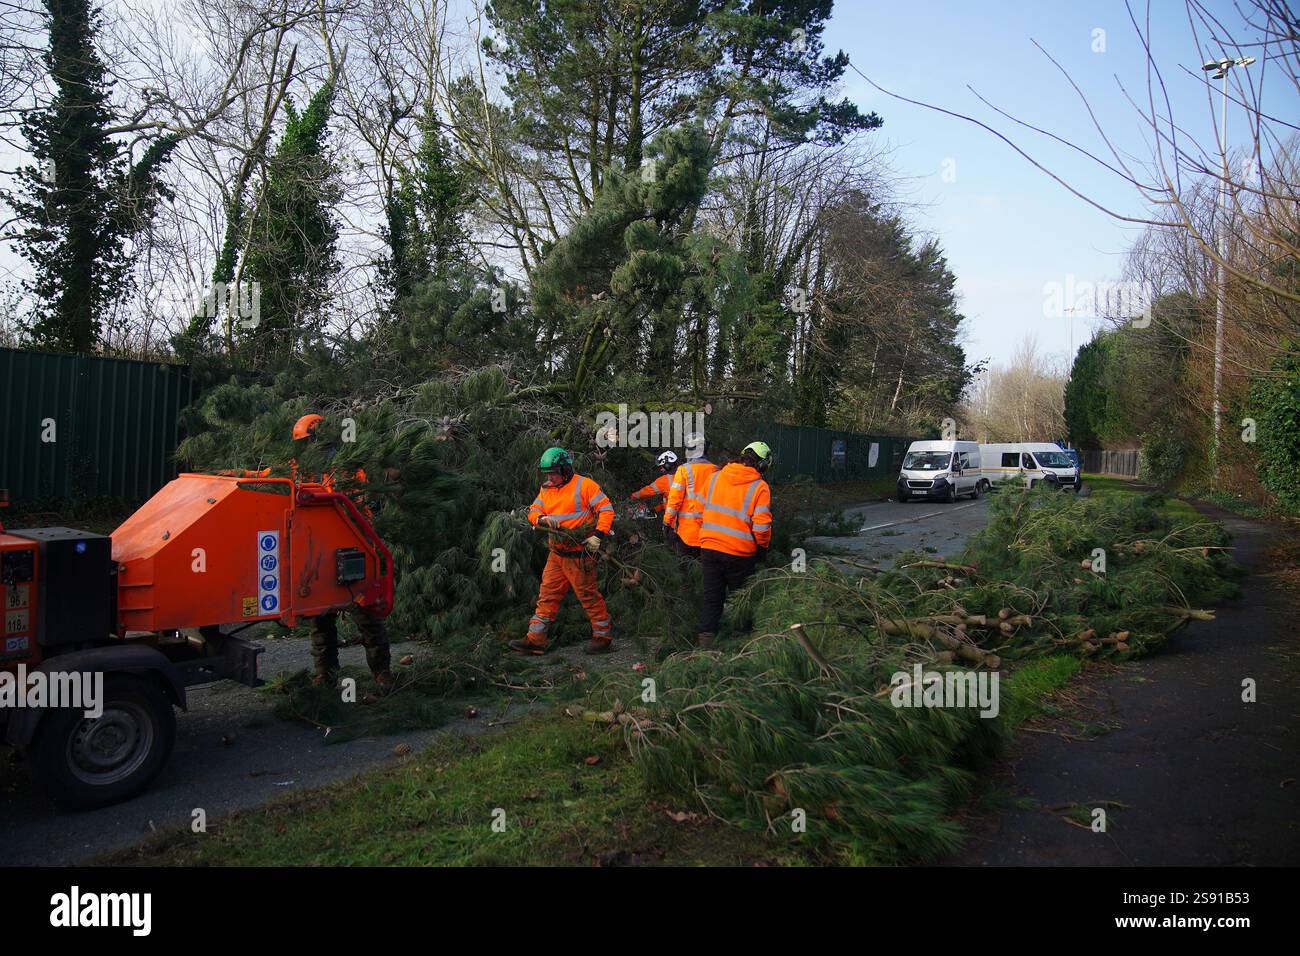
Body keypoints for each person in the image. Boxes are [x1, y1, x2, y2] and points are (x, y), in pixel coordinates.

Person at [290, 413, 394, 691]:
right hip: (317, 552)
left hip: (351, 545)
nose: (308, 447)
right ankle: (326, 675)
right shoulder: (297, 469)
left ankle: (381, 673)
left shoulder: (348, 468)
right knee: (320, 618)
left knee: (366, 612)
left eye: (310, 441)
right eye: (304, 443)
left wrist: (368, 543)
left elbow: (366, 507)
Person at [511, 447, 616, 656]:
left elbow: (606, 509)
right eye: (547, 473)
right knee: (547, 595)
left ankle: (603, 637)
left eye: (553, 472)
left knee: (588, 596)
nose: (550, 477)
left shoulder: (584, 485)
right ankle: (535, 640)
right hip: (557, 553)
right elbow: (534, 510)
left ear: (565, 469)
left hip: (579, 555)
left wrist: (598, 535)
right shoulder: (547, 488)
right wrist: (541, 519)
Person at [696, 441, 772, 648]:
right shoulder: (760, 486)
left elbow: (697, 510)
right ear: (762, 465)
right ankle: (743, 643)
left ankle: (705, 645)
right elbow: (762, 528)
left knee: (712, 598)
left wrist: (707, 534)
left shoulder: (715, 477)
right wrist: (762, 549)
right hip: (740, 553)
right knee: (741, 599)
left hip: (709, 549)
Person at [663, 432, 718, 558]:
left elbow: (674, 501)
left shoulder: (684, 470)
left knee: (685, 569)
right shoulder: (716, 470)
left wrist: (667, 522)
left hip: (687, 534)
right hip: (711, 534)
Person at [629, 450, 679, 516]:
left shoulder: (666, 480)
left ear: (667, 465)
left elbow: (647, 491)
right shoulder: (687, 473)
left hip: (681, 521)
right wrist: (656, 509)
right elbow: (676, 502)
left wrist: (633, 496)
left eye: (662, 466)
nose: (661, 469)